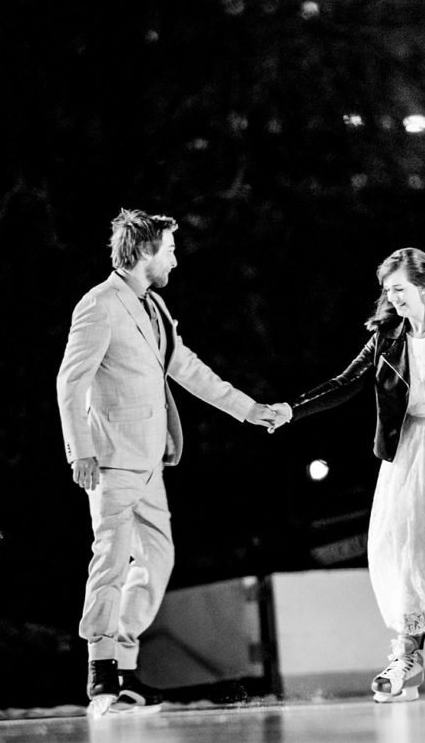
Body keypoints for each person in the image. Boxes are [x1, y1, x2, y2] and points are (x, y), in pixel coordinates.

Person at [57, 209, 283, 717]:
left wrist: (250, 411)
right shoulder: (99, 305)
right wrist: (82, 452)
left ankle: (125, 669)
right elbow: (69, 383)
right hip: (111, 460)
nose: (176, 260)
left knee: (156, 561)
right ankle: (101, 682)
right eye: (171, 250)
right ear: (143, 252)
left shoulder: (154, 307)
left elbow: (190, 370)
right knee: (110, 562)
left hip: (150, 462)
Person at [270, 248, 425, 702]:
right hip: (407, 455)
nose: (393, 299)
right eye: (388, 292)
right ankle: (407, 654)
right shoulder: (387, 337)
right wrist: (294, 409)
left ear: (423, 287)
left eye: (399, 290)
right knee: (404, 548)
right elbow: (347, 381)